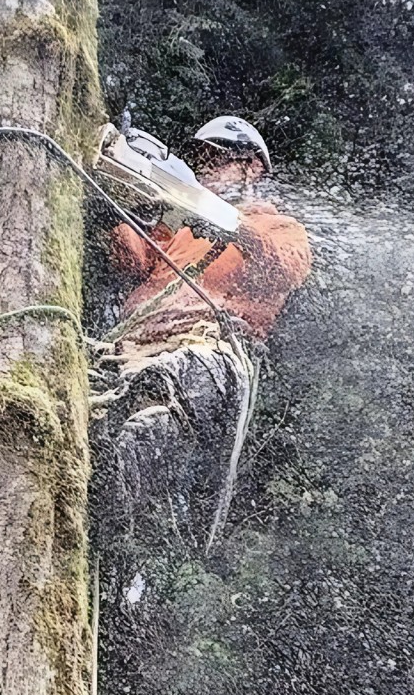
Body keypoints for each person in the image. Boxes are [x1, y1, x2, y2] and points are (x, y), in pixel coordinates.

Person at [93, 116, 312, 545]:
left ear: (252, 168)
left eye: (220, 161)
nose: (209, 172)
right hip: (131, 350)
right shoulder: (180, 229)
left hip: (206, 349)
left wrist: (228, 224)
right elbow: (134, 261)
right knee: (103, 404)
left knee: (164, 390)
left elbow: (281, 264)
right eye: (204, 161)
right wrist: (113, 210)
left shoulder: (279, 228)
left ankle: (112, 490)